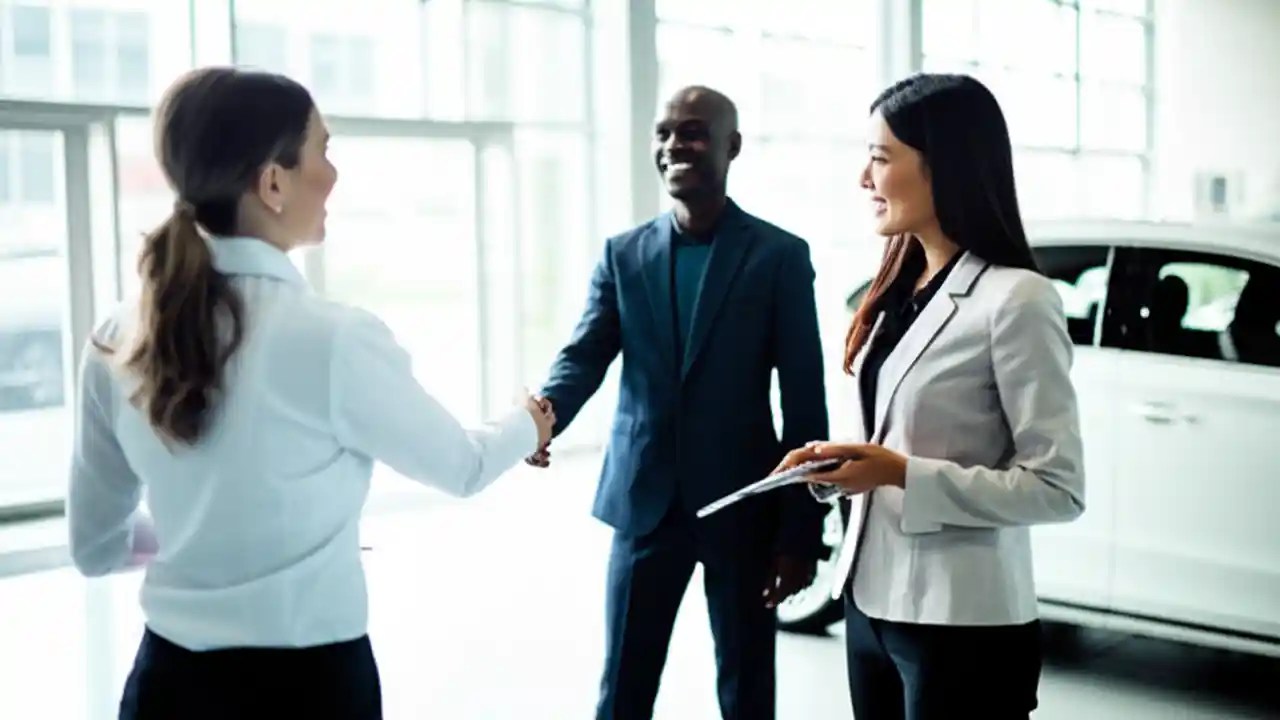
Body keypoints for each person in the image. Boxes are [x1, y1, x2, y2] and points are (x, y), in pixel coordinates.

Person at [67, 67, 554, 720]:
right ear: (273, 183)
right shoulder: (335, 340)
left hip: (167, 688)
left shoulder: (115, 337)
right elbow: (462, 467)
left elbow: (96, 547)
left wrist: (207, 536)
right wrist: (529, 423)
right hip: (308, 691)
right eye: (323, 150)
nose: (334, 174)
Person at [774, 73, 1086, 719]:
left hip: (962, 622)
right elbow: (897, 438)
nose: (864, 177)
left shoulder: (1018, 299)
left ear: (943, 166)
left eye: (881, 158)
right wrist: (842, 467)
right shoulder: (897, 290)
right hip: (869, 603)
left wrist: (900, 473)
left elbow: (1058, 487)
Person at [528, 85, 829, 720]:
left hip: (742, 506)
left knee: (748, 688)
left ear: (732, 146)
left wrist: (801, 533)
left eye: (692, 132)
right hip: (644, 505)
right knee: (624, 689)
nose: (673, 146)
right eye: (663, 133)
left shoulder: (778, 256)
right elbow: (585, 354)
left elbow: (805, 402)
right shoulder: (623, 254)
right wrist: (542, 417)